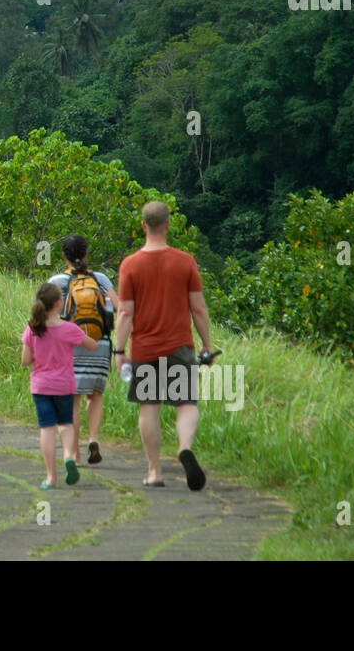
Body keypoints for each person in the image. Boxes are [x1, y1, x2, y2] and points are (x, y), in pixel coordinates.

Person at [115, 201, 215, 491]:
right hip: (179, 347)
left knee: (149, 408)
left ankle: (154, 471)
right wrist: (206, 344)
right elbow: (198, 309)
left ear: (143, 226)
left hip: (145, 349)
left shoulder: (130, 265)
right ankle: (184, 447)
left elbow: (125, 312)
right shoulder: (185, 262)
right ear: (168, 225)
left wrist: (120, 351)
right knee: (185, 404)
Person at [48, 234, 118, 466]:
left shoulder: (56, 281)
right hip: (99, 343)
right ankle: (94, 438)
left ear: (63, 255)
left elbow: (42, 315)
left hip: (68, 346)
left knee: (73, 399)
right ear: (86, 254)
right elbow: (118, 307)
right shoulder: (100, 279)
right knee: (95, 395)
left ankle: (75, 454)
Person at [21, 281, 99, 489]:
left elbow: (25, 360)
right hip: (64, 385)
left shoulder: (32, 329)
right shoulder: (69, 329)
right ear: (58, 303)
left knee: (46, 428)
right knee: (65, 424)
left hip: (41, 386)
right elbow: (92, 346)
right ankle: (68, 456)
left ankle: (50, 477)